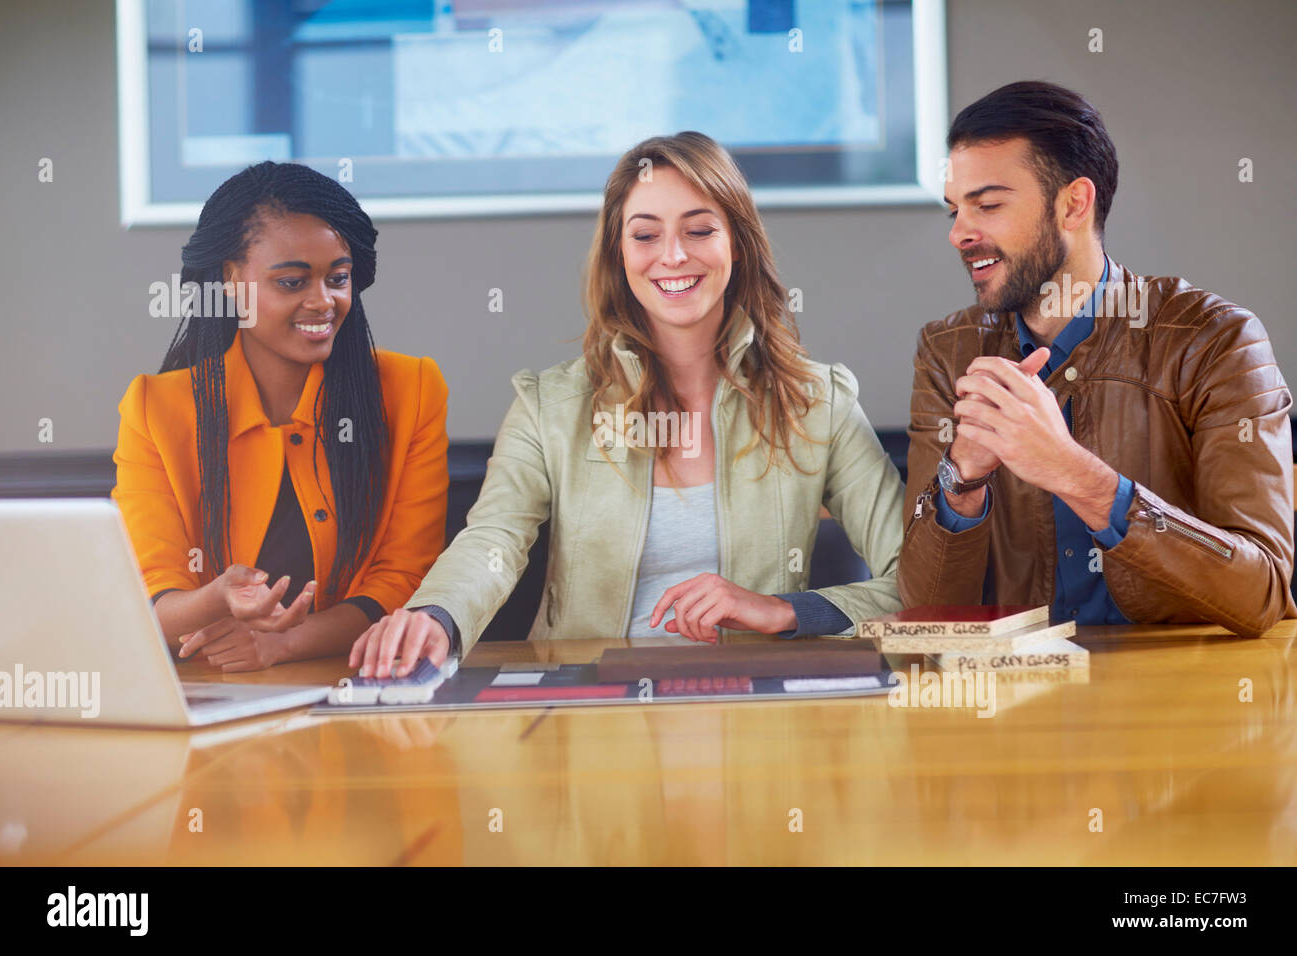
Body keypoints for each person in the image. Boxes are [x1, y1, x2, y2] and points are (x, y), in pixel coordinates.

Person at [352, 131, 904, 678]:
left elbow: (915, 582)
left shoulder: (819, 402)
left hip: (756, 715)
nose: (673, 255)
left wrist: (785, 610)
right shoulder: (550, 406)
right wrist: (436, 616)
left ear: (737, 241)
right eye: (646, 235)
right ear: (619, 254)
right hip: (587, 713)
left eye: (700, 229)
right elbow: (493, 540)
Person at [900, 80, 1294, 637]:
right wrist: (960, 480)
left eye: (987, 205)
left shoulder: (1214, 339)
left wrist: (1073, 472)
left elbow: (1262, 592)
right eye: (954, 212)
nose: (960, 234)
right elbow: (927, 617)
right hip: (1020, 705)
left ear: (1073, 203)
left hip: (1185, 700)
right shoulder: (948, 353)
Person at [112, 162, 450, 671]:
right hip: (208, 696)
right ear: (231, 281)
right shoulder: (154, 409)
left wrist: (285, 643)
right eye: (292, 282)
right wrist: (219, 597)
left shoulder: (413, 390)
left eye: (338, 278)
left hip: (355, 686)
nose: (324, 302)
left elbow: (405, 578)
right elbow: (151, 597)